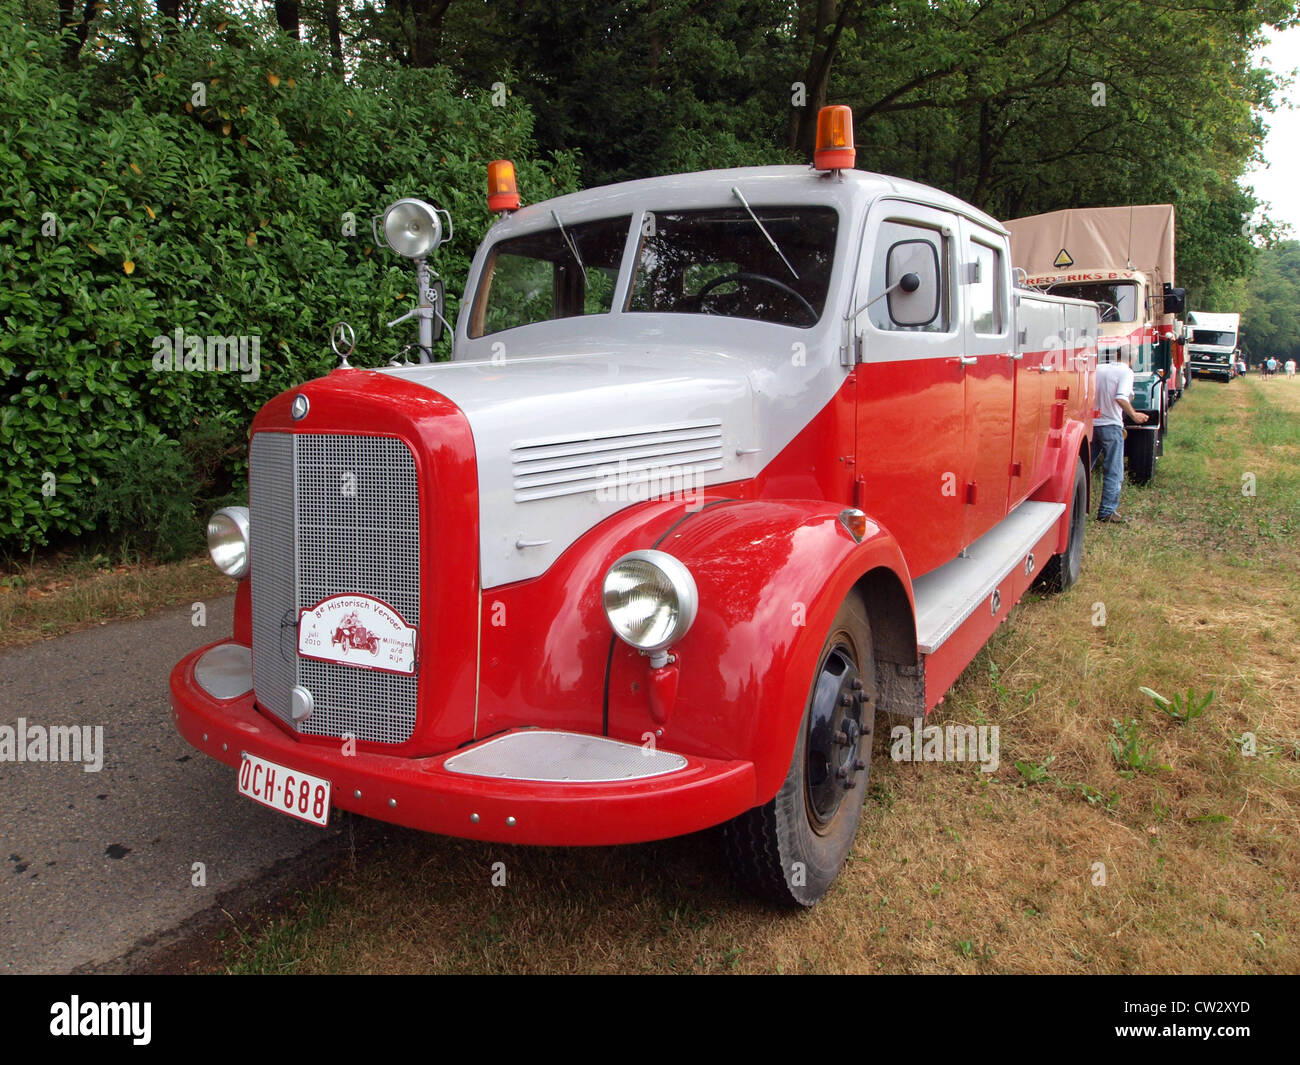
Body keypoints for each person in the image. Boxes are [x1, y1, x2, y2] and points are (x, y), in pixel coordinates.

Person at [1094, 350, 1148, 524]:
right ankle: (1107, 511)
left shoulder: (1098, 368)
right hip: (1111, 425)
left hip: (1092, 424)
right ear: (1130, 358)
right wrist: (1134, 415)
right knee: (1114, 471)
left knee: (1084, 468)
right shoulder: (1126, 372)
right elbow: (1120, 397)